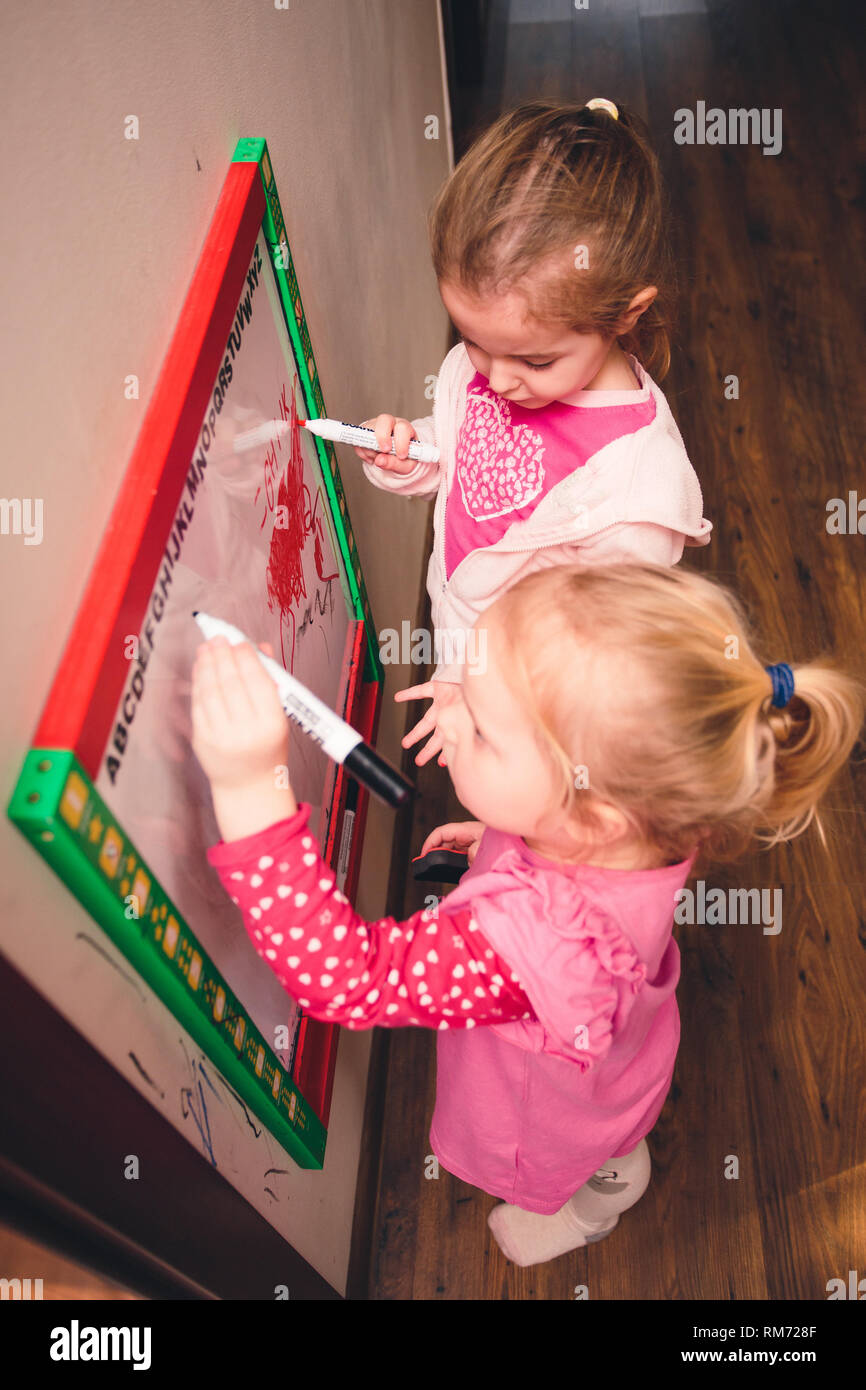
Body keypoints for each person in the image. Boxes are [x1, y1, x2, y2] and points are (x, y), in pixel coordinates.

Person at [190, 562, 863, 1268]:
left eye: (480, 729)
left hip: (556, 1108)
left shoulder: (533, 945)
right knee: (620, 1133)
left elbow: (347, 980)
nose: (446, 712)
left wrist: (248, 786)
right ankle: (618, 1165)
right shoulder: (655, 816)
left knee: (610, 1159)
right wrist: (509, 846)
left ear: (593, 816)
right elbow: (582, 874)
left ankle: (602, 1202)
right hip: (625, 1055)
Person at [354, 97, 711, 768]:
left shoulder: (638, 494)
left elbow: (594, 671)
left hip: (537, 716)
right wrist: (409, 454)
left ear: (625, 314)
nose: (496, 378)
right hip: (463, 645)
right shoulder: (495, 358)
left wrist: (493, 705)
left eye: (535, 361)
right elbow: (467, 460)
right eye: (472, 342)